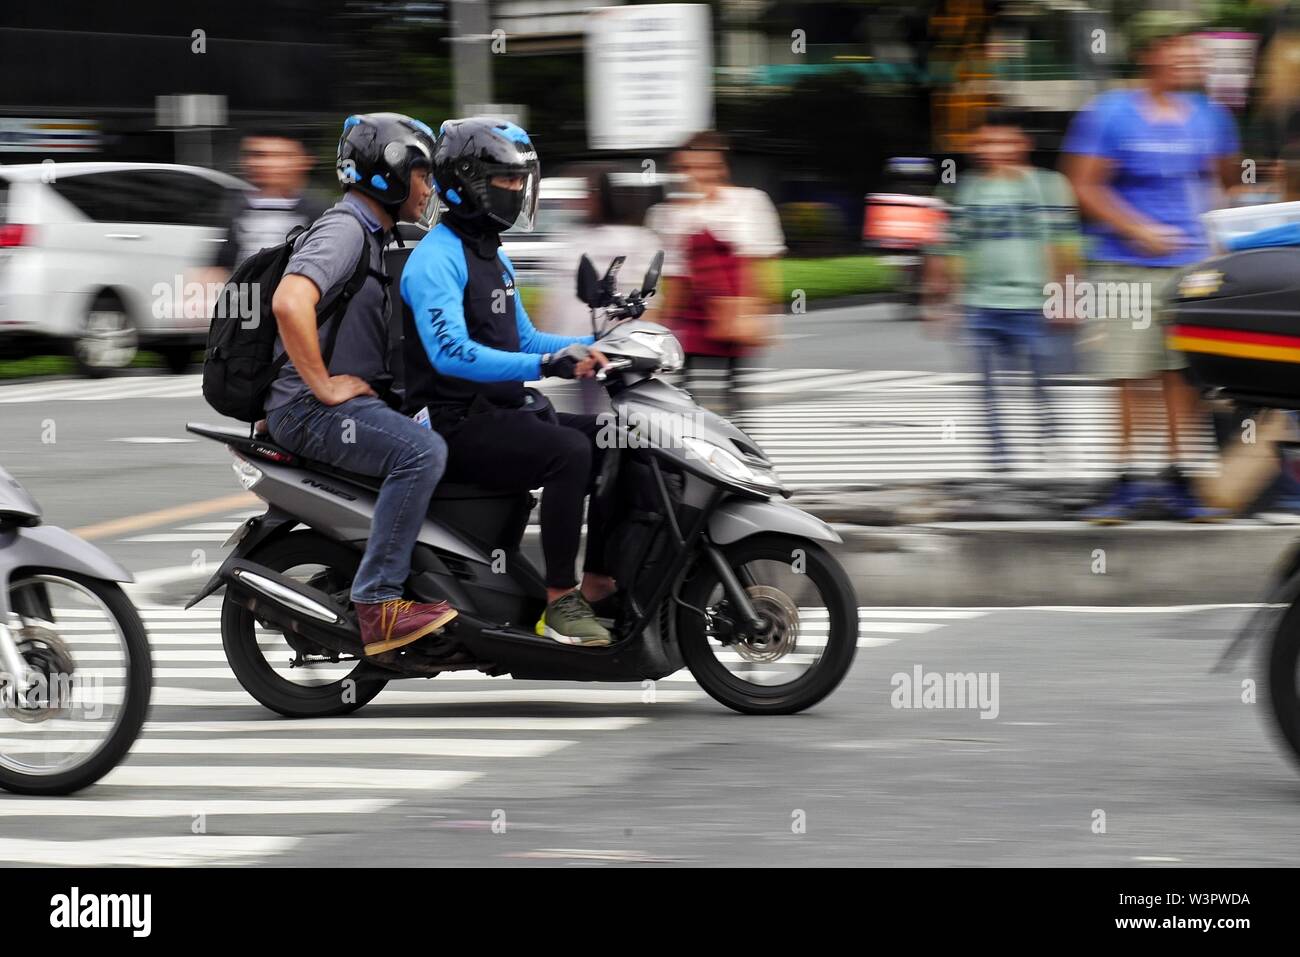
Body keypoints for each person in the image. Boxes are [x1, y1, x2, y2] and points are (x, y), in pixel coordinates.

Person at [400, 117, 619, 648]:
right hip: (452, 423)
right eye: (506, 180)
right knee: (569, 452)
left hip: (497, 412)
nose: (518, 191)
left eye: (521, 180)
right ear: (467, 183)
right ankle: (559, 603)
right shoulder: (435, 260)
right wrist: (546, 368)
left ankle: (601, 582)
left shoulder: (491, 254)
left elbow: (522, 336)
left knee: (621, 440)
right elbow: (450, 354)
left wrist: (582, 350)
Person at [265, 112, 458, 658]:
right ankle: (378, 603)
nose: (429, 188)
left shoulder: (375, 232)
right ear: (391, 173)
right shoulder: (345, 228)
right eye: (422, 175)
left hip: (321, 403)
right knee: (421, 453)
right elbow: (289, 300)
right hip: (310, 409)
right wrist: (322, 386)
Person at [1063, 11, 1240, 521]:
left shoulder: (1211, 116)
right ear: (1149, 53)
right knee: (1129, 376)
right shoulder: (1109, 114)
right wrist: (1137, 228)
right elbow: (1083, 185)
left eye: (1194, 48)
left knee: (1182, 378)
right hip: (1124, 268)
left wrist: (1226, 237)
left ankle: (1179, 482)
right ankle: (1124, 485)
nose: (1190, 57)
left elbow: (1225, 184)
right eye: (1178, 47)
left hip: (1195, 271)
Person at [924, 108, 1082, 474]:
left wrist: (1067, 296)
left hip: (1033, 304)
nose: (995, 148)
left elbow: (1066, 243)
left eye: (1004, 140)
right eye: (986, 142)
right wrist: (939, 299)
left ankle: (1053, 453)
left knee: (1042, 387)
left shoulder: (1049, 185)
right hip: (981, 305)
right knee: (988, 393)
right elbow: (949, 246)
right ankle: (1000, 464)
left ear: (1023, 143)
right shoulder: (966, 189)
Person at [645, 131, 785, 418]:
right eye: (686, 167)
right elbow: (670, 276)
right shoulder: (667, 214)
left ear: (721, 168)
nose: (695, 174)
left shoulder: (748, 202)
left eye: (705, 166)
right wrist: (659, 323)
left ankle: (738, 456)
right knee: (684, 396)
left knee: (735, 396)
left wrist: (763, 312)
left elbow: (762, 261)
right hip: (690, 317)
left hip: (734, 314)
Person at [537, 165, 661, 413]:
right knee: (597, 416)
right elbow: (556, 297)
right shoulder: (577, 238)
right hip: (585, 346)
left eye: (590, 194)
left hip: (619, 346)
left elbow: (650, 296)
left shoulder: (636, 240)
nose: (584, 201)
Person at [216, 130, 327, 272]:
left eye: (279, 156)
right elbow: (222, 263)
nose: (265, 163)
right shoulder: (237, 207)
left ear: (304, 161)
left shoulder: (319, 212)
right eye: (257, 155)